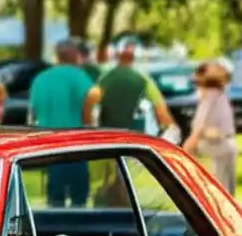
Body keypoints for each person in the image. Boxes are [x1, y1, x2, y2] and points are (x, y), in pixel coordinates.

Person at [27, 40, 94, 206]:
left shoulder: (41, 79)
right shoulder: (80, 77)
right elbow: (90, 106)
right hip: (76, 143)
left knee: (55, 194)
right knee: (79, 197)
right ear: (75, 55)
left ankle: (56, 216)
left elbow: (33, 113)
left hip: (50, 143)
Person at [83, 43, 175, 134]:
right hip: (133, 134)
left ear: (119, 58)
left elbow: (91, 97)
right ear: (133, 60)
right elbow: (160, 110)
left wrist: (88, 123)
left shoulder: (108, 76)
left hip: (108, 132)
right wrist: (169, 127)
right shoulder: (143, 79)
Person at [182, 62, 238, 195]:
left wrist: (187, 147)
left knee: (216, 191)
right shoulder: (221, 96)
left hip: (215, 146)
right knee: (227, 190)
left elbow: (200, 125)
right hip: (227, 144)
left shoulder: (210, 96)